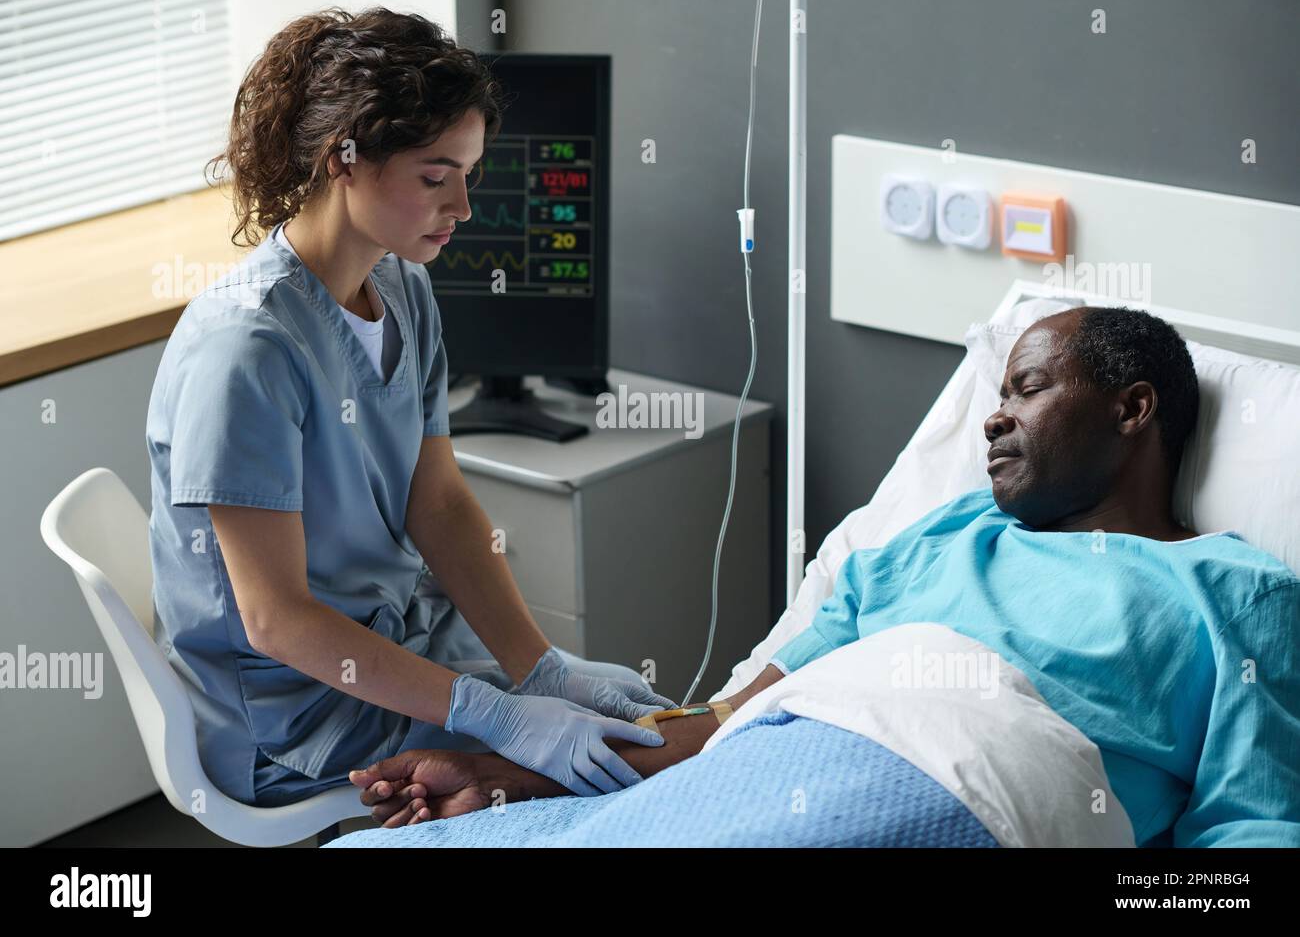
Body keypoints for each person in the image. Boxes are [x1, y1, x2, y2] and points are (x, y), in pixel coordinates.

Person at [352, 306, 1300, 848]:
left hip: (958, 795)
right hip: (761, 777)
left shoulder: (1234, 594)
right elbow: (726, 728)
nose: (993, 419)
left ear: (1134, 408)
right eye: (999, 392)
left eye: (1029, 389)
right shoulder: (935, 539)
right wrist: (500, 777)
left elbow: (1246, 845)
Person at [146, 7, 672, 809]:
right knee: (589, 778)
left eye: (469, 174)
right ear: (342, 162)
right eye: (435, 177)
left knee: (643, 725)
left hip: (399, 640)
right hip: (294, 710)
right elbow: (278, 621)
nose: (463, 207)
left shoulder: (404, 289)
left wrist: (540, 670)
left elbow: (441, 502)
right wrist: (502, 720)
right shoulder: (245, 349)